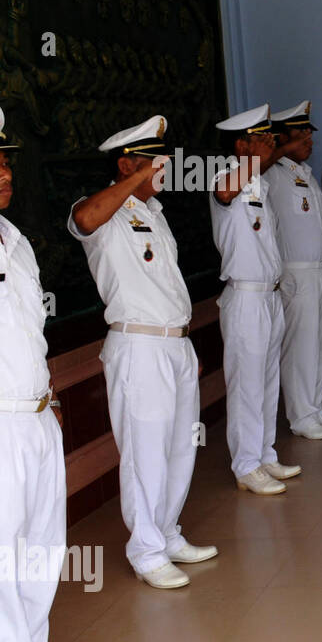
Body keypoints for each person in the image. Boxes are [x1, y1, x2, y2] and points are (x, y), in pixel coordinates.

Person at [69, 116, 216, 590]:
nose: (163, 173)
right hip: (138, 346)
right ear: (127, 163)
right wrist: (135, 178)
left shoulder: (154, 213)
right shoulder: (103, 215)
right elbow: (84, 220)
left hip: (174, 344)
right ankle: (146, 550)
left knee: (179, 447)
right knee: (145, 453)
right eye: (155, 164)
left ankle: (167, 533)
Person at [0, 108, 105, 642]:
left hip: (34, 415)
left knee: (41, 548)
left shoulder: (14, 240)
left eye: (8, 161)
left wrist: (49, 394)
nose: (6, 172)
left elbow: (25, 336)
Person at [210, 105, 300, 495]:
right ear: (240, 144)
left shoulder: (259, 184)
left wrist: (262, 161)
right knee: (246, 384)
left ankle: (264, 454)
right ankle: (245, 464)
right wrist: (258, 160)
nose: (268, 145)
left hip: (269, 296)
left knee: (266, 381)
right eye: (260, 139)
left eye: (269, 139)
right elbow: (226, 191)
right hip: (244, 297)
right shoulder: (223, 176)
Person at [265, 101, 322, 442]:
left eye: (309, 136)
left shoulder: (305, 174)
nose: (308, 142)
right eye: (300, 136)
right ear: (282, 139)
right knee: (299, 347)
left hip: (320, 270)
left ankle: (314, 407)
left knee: (321, 342)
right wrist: (279, 149)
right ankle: (300, 415)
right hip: (294, 272)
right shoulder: (271, 172)